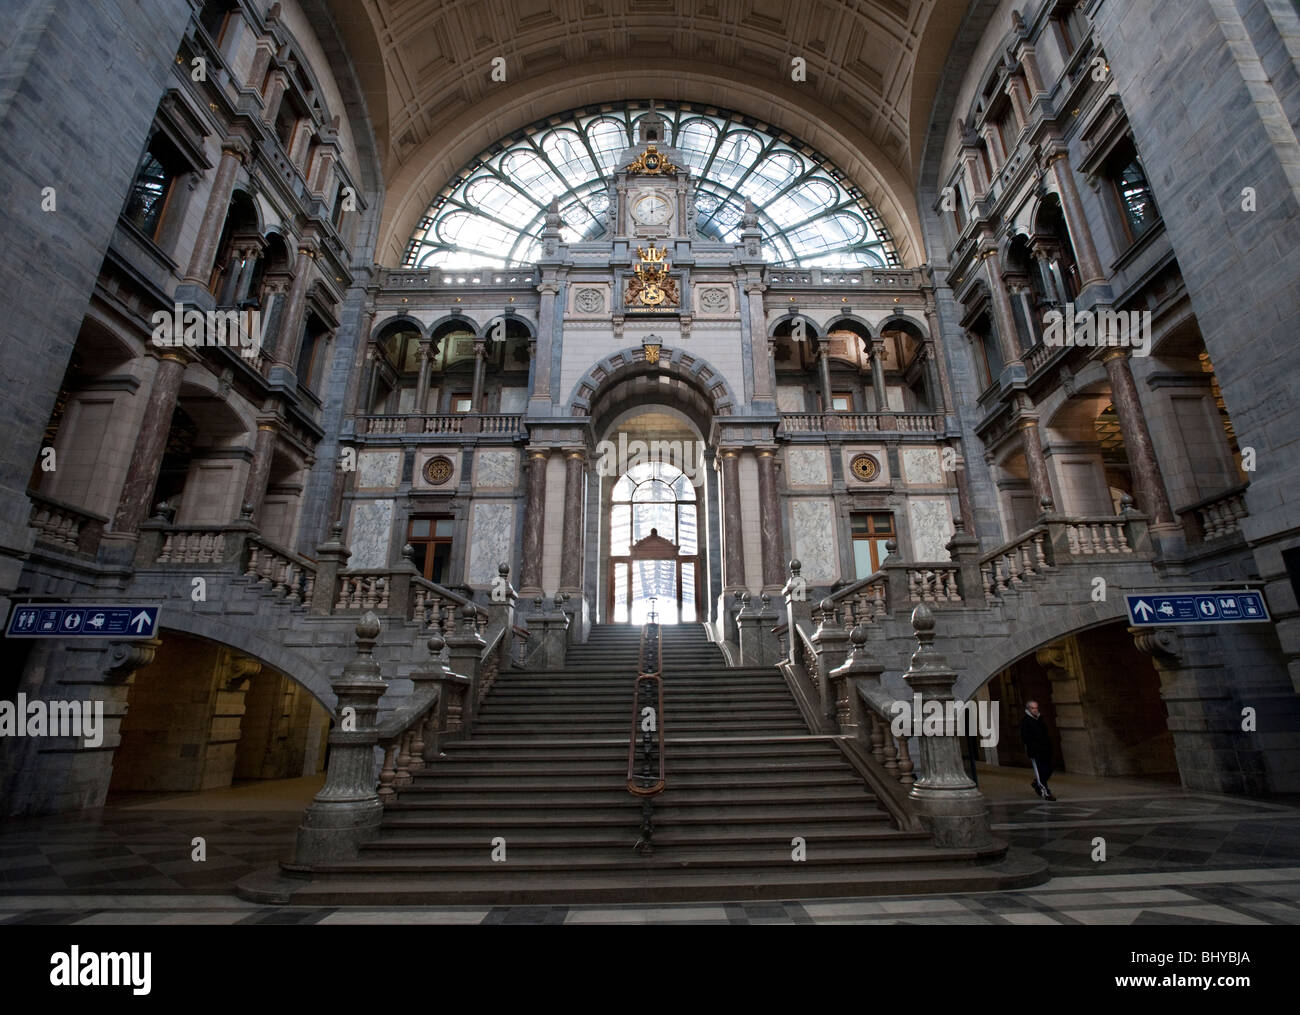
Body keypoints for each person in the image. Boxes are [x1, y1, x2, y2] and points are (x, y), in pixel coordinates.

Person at [1020, 700, 1057, 800]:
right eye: (1033, 708)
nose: (1035, 710)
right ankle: (1046, 793)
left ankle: (1037, 783)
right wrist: (1033, 747)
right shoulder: (1026, 721)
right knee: (1040, 771)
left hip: (1045, 750)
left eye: (1036, 708)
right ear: (1028, 709)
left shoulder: (1040, 719)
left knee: (1049, 769)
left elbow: (1045, 734)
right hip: (1035, 752)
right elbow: (1025, 737)